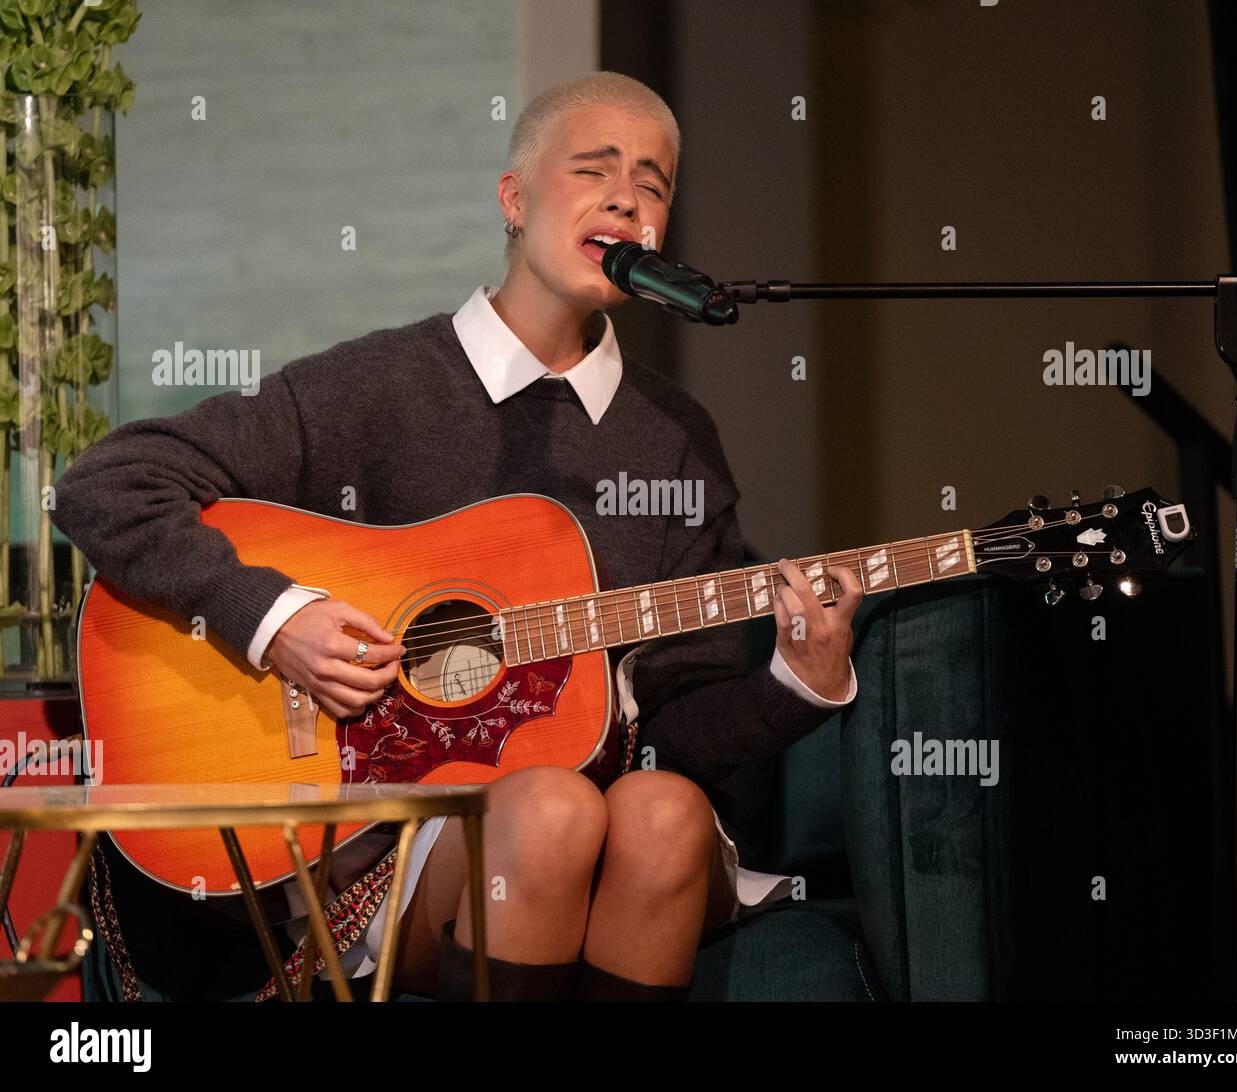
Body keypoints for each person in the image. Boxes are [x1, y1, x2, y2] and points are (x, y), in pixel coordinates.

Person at [51, 70, 862, 1003]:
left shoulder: (676, 440)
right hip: (385, 845)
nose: (626, 197)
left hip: (613, 834)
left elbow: (680, 735)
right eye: (593, 169)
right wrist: (276, 619)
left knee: (669, 811)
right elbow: (108, 482)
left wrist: (800, 680)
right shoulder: (381, 386)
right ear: (513, 199)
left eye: (654, 182)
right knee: (553, 809)